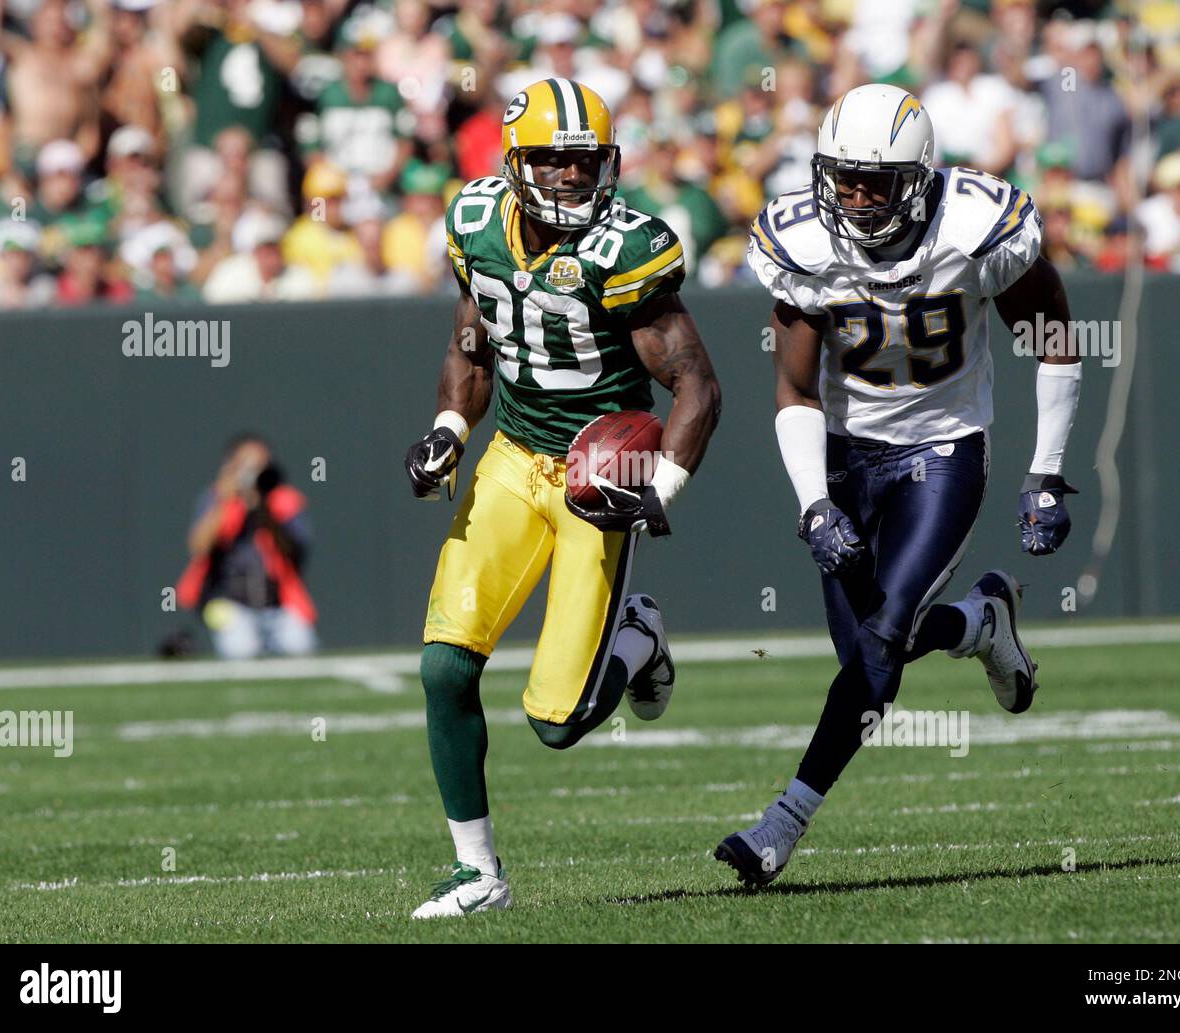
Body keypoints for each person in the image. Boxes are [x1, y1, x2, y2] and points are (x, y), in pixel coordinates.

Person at [717, 83, 1082, 887]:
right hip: (847, 456)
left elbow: (1054, 335)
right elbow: (796, 391)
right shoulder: (806, 244)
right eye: (841, 178)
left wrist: (1046, 472)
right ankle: (980, 622)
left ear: (915, 180)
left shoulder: (974, 227)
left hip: (942, 450)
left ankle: (782, 822)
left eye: (872, 181)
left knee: (882, 640)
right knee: (868, 653)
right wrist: (814, 505)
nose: (853, 197)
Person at [404, 78, 720, 919]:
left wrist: (661, 488)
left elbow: (696, 384)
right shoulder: (477, 224)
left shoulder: (625, 249)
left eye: (585, 161)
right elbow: (472, 340)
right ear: (515, 163)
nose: (573, 176)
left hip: (596, 477)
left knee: (558, 719)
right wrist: (448, 427)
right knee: (444, 664)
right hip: (513, 457)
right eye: (552, 160)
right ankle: (478, 872)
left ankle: (640, 635)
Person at [177, 434, 317, 659]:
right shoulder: (216, 497)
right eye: (248, 465)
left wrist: (264, 509)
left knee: (300, 645)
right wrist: (225, 501)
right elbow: (198, 547)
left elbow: (294, 550)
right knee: (240, 649)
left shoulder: (283, 499)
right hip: (230, 602)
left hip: (279, 603)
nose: (254, 472)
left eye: (261, 465)